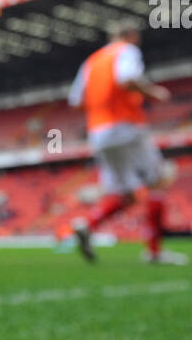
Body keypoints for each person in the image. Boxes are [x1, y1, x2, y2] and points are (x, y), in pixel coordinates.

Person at [68, 21, 185, 264]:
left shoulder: (91, 61)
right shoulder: (126, 51)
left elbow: (76, 100)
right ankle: (154, 252)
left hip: (99, 132)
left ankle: (87, 225)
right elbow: (127, 78)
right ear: (131, 35)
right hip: (126, 126)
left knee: (127, 196)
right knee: (158, 182)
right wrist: (154, 93)